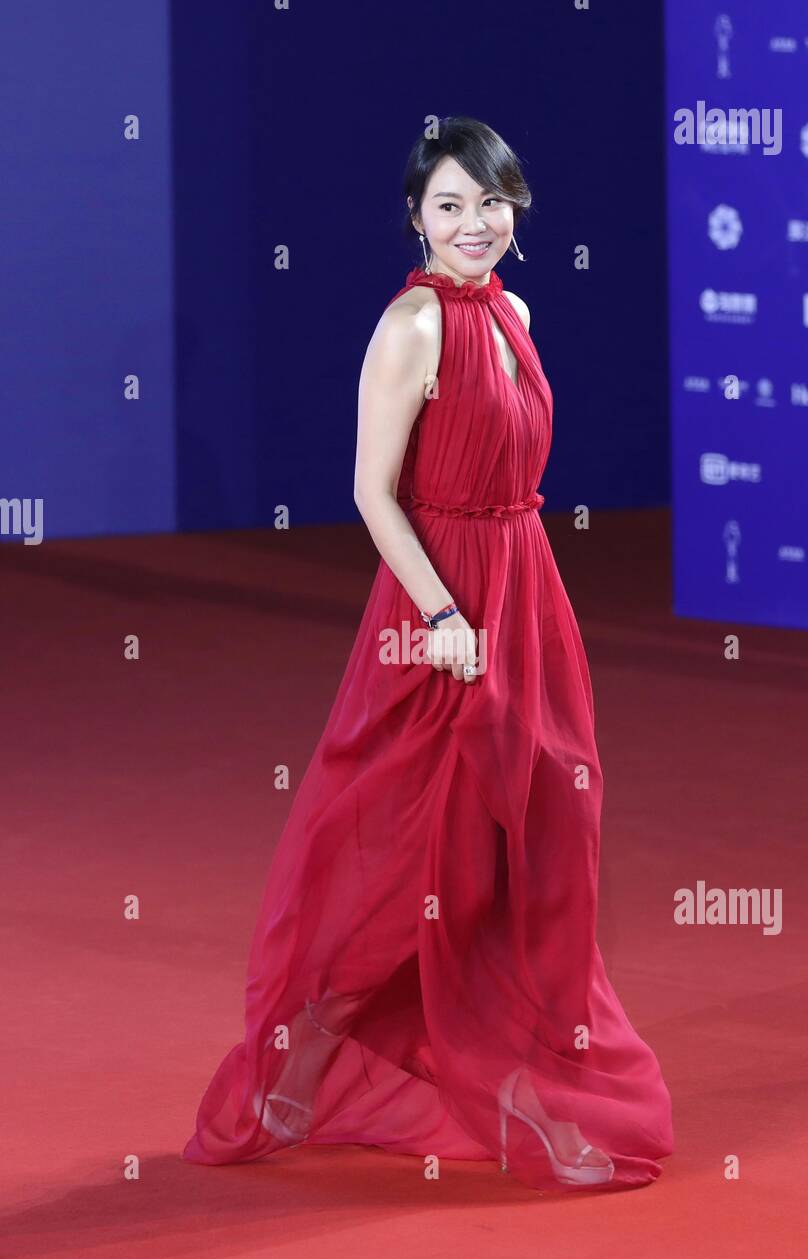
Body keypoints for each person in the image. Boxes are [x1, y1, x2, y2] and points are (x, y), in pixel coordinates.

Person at [183, 116, 673, 1193]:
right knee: (413, 846)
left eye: (490, 203)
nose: (473, 224)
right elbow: (372, 490)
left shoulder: (518, 313)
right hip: (437, 611)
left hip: (526, 584)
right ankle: (311, 1056)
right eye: (449, 206)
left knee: (544, 832)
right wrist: (445, 618)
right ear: (416, 217)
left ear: (518, 210)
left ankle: (532, 1079)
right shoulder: (410, 327)